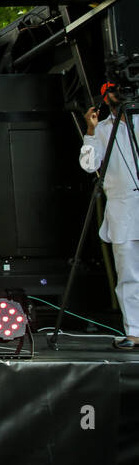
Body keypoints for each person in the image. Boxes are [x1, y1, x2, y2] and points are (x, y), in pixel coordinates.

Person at [82, 81, 139, 349]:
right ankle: (135, 331)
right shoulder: (103, 129)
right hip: (122, 209)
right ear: (105, 97)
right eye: (114, 90)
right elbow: (89, 165)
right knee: (128, 274)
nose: (120, 94)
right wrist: (91, 130)